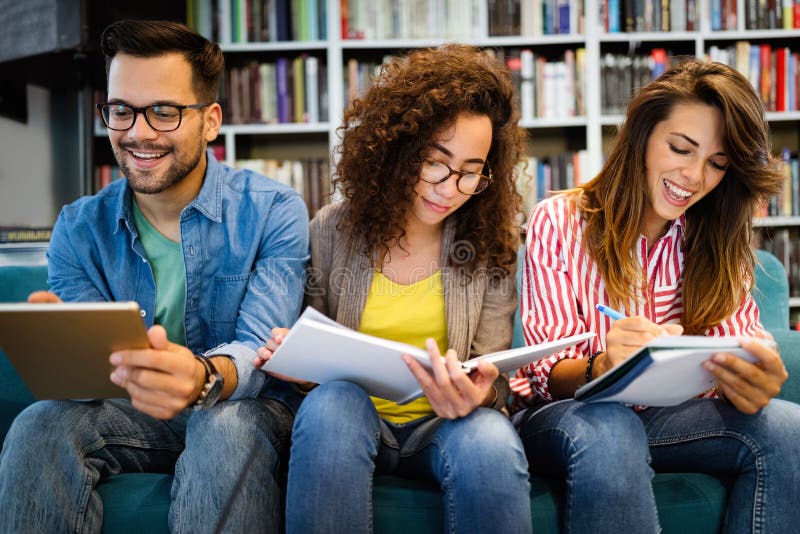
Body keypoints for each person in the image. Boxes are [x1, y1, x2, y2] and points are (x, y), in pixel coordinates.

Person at [0, 20, 309, 533]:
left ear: (210, 121)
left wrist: (202, 376)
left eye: (164, 111)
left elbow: (259, 351)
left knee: (224, 424)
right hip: (134, 414)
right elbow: (89, 389)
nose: (138, 133)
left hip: (243, 408)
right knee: (39, 423)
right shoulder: (77, 228)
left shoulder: (275, 211)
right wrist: (65, 353)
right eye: (121, 110)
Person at [511, 58, 800, 533]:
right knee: (612, 427)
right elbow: (542, 375)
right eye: (681, 148)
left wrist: (750, 377)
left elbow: (740, 343)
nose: (693, 176)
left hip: (668, 417)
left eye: (717, 163)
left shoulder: (714, 236)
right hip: (568, 416)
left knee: (786, 429)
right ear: (643, 134)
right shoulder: (558, 221)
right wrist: (605, 364)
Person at [255, 45, 533, 533]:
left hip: (447, 425)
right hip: (354, 419)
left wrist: (479, 397)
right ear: (398, 147)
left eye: (471, 172)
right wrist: (296, 362)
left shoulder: (491, 243)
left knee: (490, 437)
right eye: (435, 162)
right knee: (330, 405)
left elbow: (498, 380)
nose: (449, 188)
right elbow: (313, 347)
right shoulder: (332, 231)